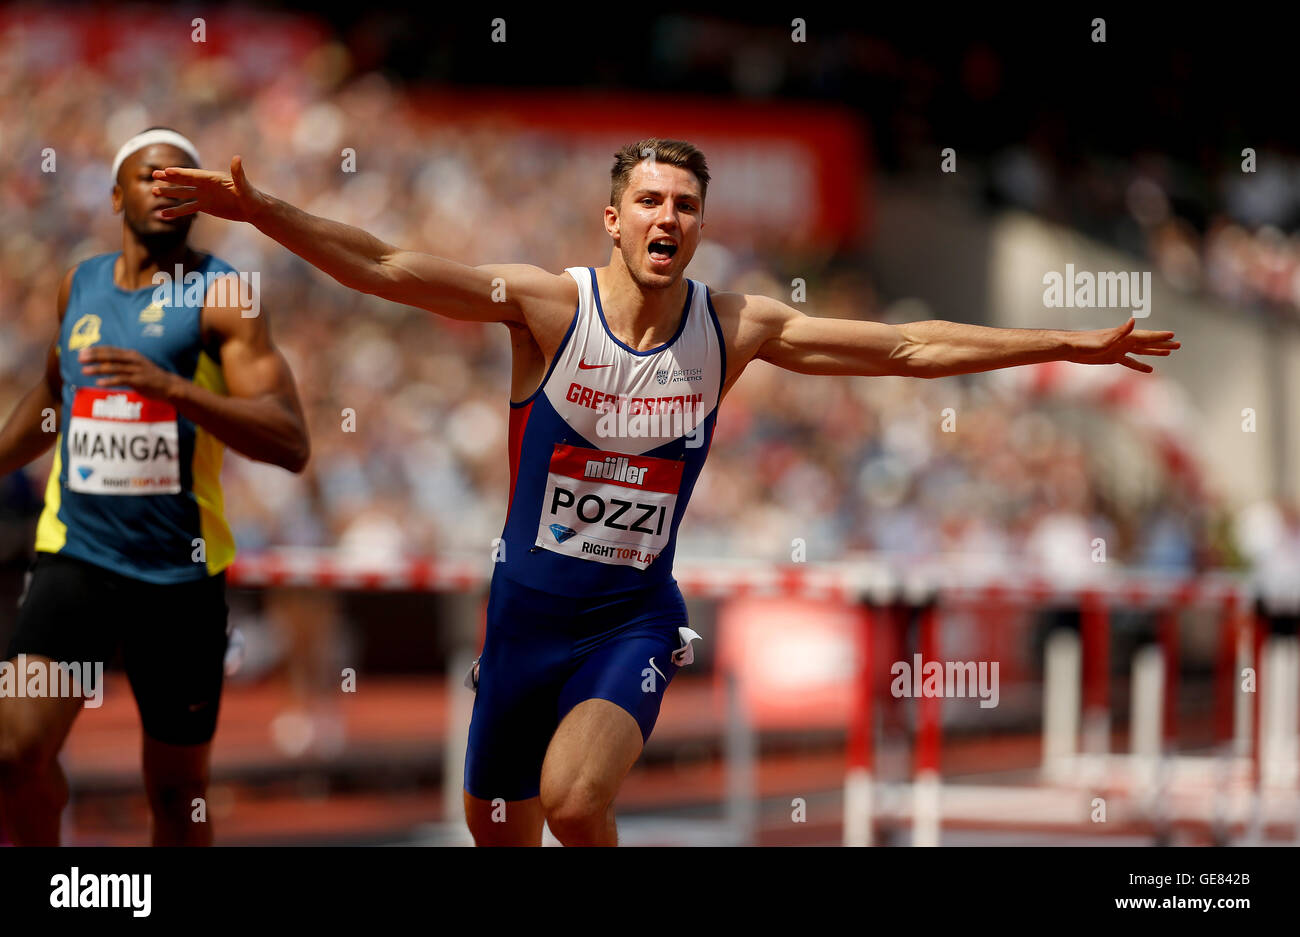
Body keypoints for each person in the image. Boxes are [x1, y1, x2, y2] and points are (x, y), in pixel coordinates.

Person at [150, 137, 1178, 845]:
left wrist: (1066, 342)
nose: (667, 217)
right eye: (649, 200)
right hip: (520, 625)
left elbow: (906, 345)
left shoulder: (736, 327)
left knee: (573, 799)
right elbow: (385, 263)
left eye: (685, 205)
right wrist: (262, 211)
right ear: (613, 217)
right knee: (497, 828)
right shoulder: (550, 308)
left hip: (630, 621)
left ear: (698, 227)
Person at [0, 128, 310, 846]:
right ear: (115, 194)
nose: (166, 188)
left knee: (176, 795)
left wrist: (173, 387)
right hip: (75, 562)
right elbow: (51, 400)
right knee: (14, 750)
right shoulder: (80, 285)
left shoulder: (224, 296)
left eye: (181, 179)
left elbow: (289, 440)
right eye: (149, 176)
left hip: (178, 577)